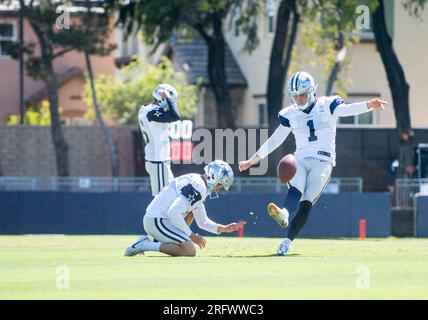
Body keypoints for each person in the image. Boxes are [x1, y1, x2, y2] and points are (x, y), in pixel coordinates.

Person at [239, 71, 388, 256]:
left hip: (323, 161)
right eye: (295, 96)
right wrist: (252, 160)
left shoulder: (327, 104)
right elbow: (275, 140)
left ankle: (286, 242)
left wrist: (369, 105)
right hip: (299, 159)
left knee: (306, 201)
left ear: (311, 91)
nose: (299, 100)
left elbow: (347, 110)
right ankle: (284, 213)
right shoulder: (290, 114)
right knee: (296, 189)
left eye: (302, 95)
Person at [124, 160, 246, 257]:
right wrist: (192, 236)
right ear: (214, 177)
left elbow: (202, 221)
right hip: (157, 220)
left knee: (191, 214)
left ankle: (151, 240)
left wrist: (224, 228)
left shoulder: (199, 184)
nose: (219, 189)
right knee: (189, 250)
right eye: (220, 185)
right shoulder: (198, 186)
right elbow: (173, 212)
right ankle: (144, 245)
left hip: (162, 220)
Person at [138, 83, 180, 196]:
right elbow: (175, 115)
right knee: (161, 200)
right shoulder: (151, 112)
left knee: (173, 196)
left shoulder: (146, 109)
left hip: (158, 161)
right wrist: (168, 98)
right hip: (158, 161)